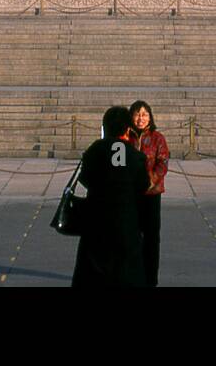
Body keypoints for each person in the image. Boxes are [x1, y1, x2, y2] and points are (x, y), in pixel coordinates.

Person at [71, 104, 149, 288]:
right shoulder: (134, 154)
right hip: (126, 222)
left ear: (105, 128)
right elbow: (143, 185)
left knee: (93, 274)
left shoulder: (95, 150)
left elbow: (85, 178)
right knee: (127, 272)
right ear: (128, 129)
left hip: (97, 220)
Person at [129, 99, 169, 287]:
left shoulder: (157, 138)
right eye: (137, 114)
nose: (140, 118)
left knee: (152, 238)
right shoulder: (125, 137)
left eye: (144, 114)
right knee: (130, 235)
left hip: (151, 194)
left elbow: (163, 163)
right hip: (129, 194)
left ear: (150, 117)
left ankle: (150, 278)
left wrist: (150, 180)